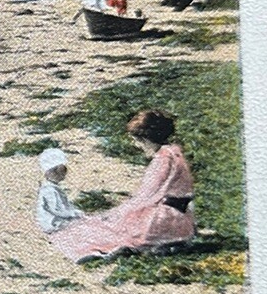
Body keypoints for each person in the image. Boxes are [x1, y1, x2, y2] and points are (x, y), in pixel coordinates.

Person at [49, 109, 195, 263]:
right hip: (183, 220)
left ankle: (117, 250)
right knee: (106, 224)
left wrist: (113, 214)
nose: (137, 146)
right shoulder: (175, 152)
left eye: (137, 141)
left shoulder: (162, 160)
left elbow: (144, 197)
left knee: (98, 229)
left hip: (163, 220)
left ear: (146, 139)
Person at [34, 147, 84, 233]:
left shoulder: (53, 188)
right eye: (61, 172)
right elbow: (57, 210)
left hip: (58, 219)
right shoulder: (49, 190)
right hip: (53, 223)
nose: (64, 175)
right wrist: (73, 214)